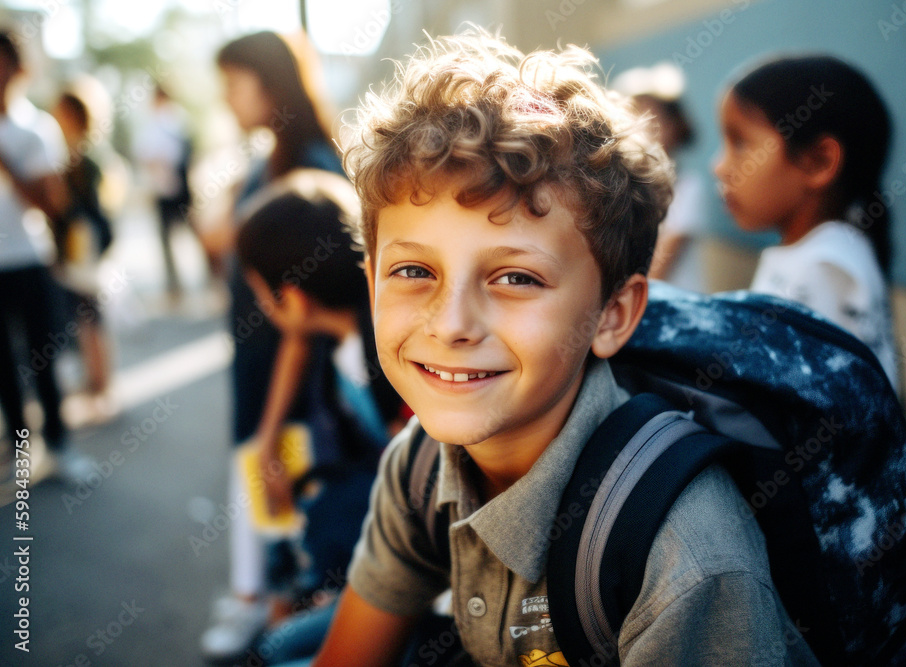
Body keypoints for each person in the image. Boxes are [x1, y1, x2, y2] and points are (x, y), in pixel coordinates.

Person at [311, 29, 817, 666]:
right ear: (371, 282)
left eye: (516, 278)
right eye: (414, 271)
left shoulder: (683, 557)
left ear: (613, 314)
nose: (451, 324)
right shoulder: (418, 468)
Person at [198, 30, 348, 662]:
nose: (227, 98)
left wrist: (269, 422)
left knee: (281, 470)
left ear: (268, 83)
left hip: (294, 368)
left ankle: (272, 598)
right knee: (262, 472)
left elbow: (305, 319)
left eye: (235, 83)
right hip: (259, 355)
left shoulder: (311, 163)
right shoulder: (267, 158)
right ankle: (264, 593)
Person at [235, 169, 403, 665]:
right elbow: (296, 340)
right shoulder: (348, 330)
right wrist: (268, 444)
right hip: (370, 535)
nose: (263, 309)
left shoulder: (386, 361)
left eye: (260, 295)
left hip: (398, 564)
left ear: (290, 299)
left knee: (273, 650)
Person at [713, 54, 899, 390]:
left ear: (818, 162)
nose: (719, 167)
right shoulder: (831, 251)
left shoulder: (823, 267)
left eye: (740, 143)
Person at [0, 30, 92, 483]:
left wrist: (7, 165)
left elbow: (49, 203)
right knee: (5, 370)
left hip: (29, 260)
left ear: (18, 68)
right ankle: (20, 453)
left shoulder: (36, 128)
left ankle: (58, 446)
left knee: (42, 358)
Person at [50, 85, 117, 423]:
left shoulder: (81, 159)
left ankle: (101, 390)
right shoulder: (80, 156)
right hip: (83, 250)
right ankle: (98, 388)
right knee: (87, 320)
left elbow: (80, 209)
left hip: (83, 252)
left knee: (89, 320)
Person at [613, 62, 710, 292]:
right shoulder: (623, 186)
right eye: (635, 121)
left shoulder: (688, 187)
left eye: (655, 122)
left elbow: (661, 265)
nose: (646, 132)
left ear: (677, 126)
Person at [131, 84, 192, 303]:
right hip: (164, 190)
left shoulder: (172, 121)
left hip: (179, 188)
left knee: (190, 236)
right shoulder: (157, 123)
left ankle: (189, 287)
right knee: (167, 241)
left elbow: (172, 155)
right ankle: (175, 289)